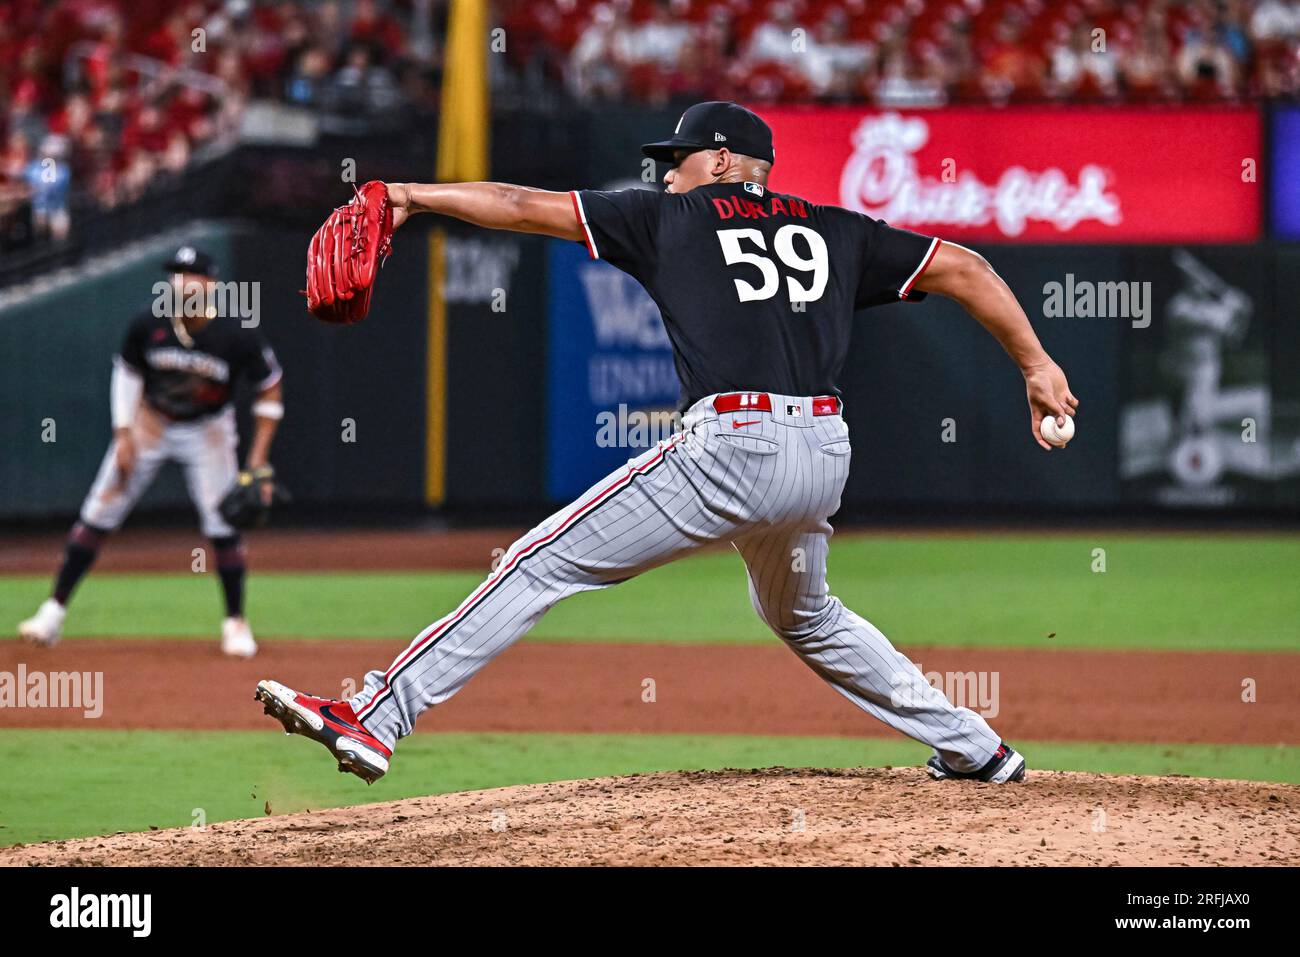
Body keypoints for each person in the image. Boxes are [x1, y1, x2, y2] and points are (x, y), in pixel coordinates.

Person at [256, 102, 1078, 784]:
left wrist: (409, 195)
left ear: (723, 161)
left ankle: (377, 713)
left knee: (539, 561)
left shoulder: (666, 216)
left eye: (680, 157)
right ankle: (976, 746)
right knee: (807, 613)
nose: (668, 171)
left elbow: (518, 203)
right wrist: (1036, 365)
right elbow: (965, 265)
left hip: (732, 446)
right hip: (824, 455)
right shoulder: (839, 229)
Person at [18, 247, 284, 657]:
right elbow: (127, 372)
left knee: (223, 522)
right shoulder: (149, 321)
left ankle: (235, 622)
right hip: (150, 423)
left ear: (211, 284)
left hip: (207, 429)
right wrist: (123, 432)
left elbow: (269, 387)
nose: (181, 281)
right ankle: (52, 613)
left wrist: (258, 458)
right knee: (98, 512)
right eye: (176, 273)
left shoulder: (236, 332)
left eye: (191, 273)